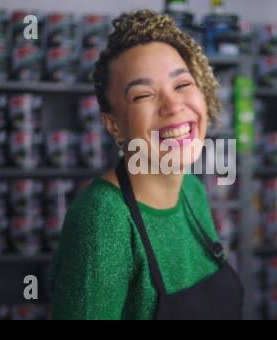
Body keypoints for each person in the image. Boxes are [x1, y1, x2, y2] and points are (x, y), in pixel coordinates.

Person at [48, 9, 243, 320]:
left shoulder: (192, 191)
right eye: (143, 95)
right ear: (113, 124)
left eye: (182, 85)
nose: (173, 105)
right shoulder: (104, 218)